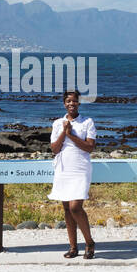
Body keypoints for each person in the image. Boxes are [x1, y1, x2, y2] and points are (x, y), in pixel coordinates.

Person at [49, 90, 97, 259]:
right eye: (68, 101)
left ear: (79, 103)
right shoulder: (58, 123)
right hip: (63, 167)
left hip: (80, 167)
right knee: (67, 209)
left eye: (74, 101)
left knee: (75, 207)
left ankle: (89, 242)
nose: (71, 104)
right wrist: (64, 132)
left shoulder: (87, 122)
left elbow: (89, 147)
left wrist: (71, 135)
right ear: (64, 104)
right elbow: (55, 149)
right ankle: (73, 247)